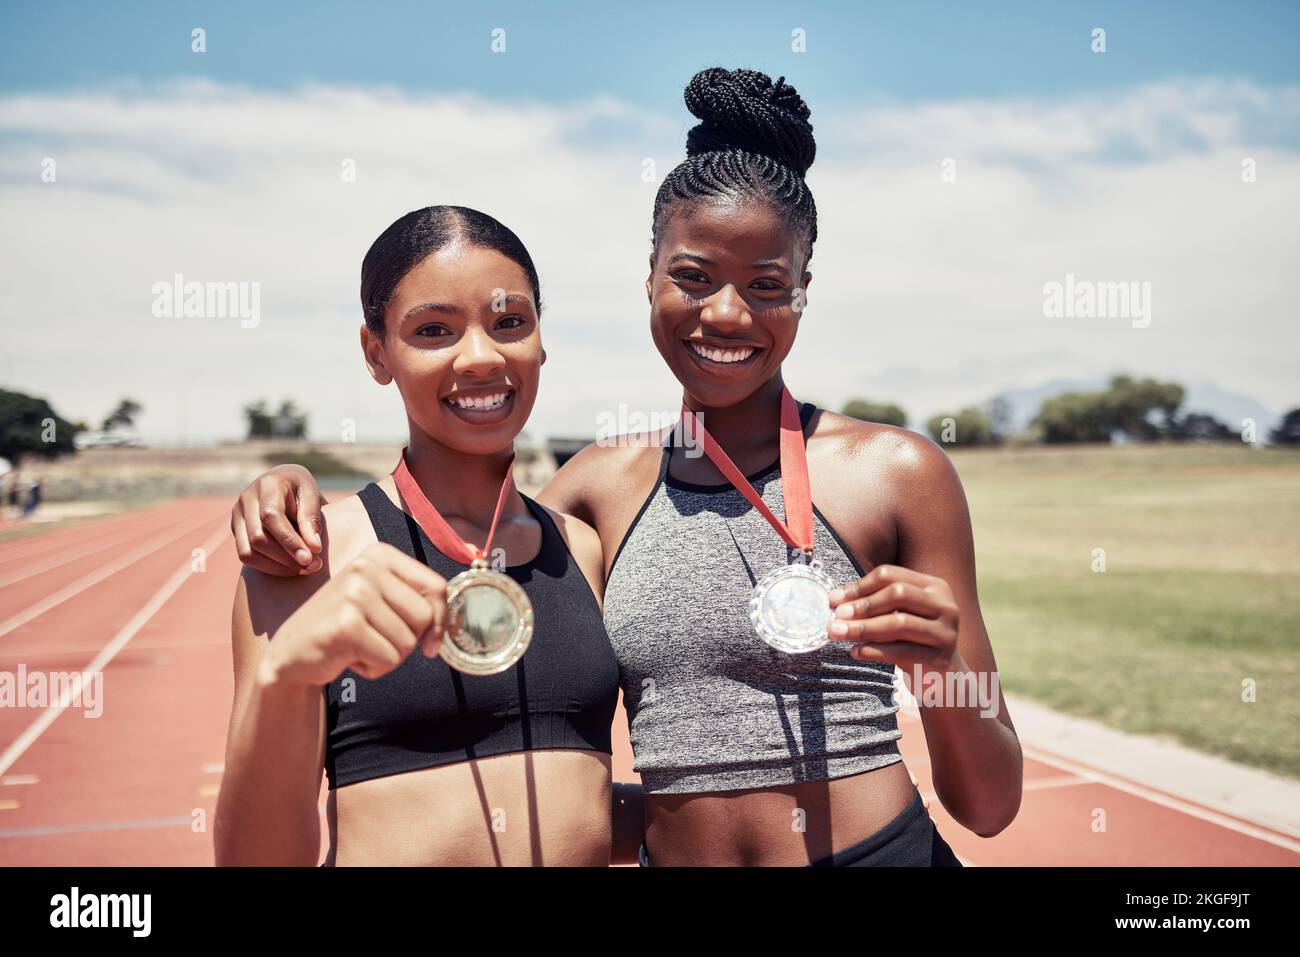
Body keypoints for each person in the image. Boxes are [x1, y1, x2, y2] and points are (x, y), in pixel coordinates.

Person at [231, 69, 1022, 866]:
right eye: (693, 276)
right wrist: (288, 482)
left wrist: (944, 669)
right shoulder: (591, 498)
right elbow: (457, 538)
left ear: (803, 291)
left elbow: (989, 806)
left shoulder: (897, 471)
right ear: (649, 275)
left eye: (767, 285)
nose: (725, 313)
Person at [215, 206, 636, 866]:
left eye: (509, 323)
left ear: (540, 341)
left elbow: (584, 798)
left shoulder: (582, 549)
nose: (480, 356)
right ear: (376, 353)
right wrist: (287, 675)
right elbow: (254, 860)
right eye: (434, 329)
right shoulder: (305, 558)